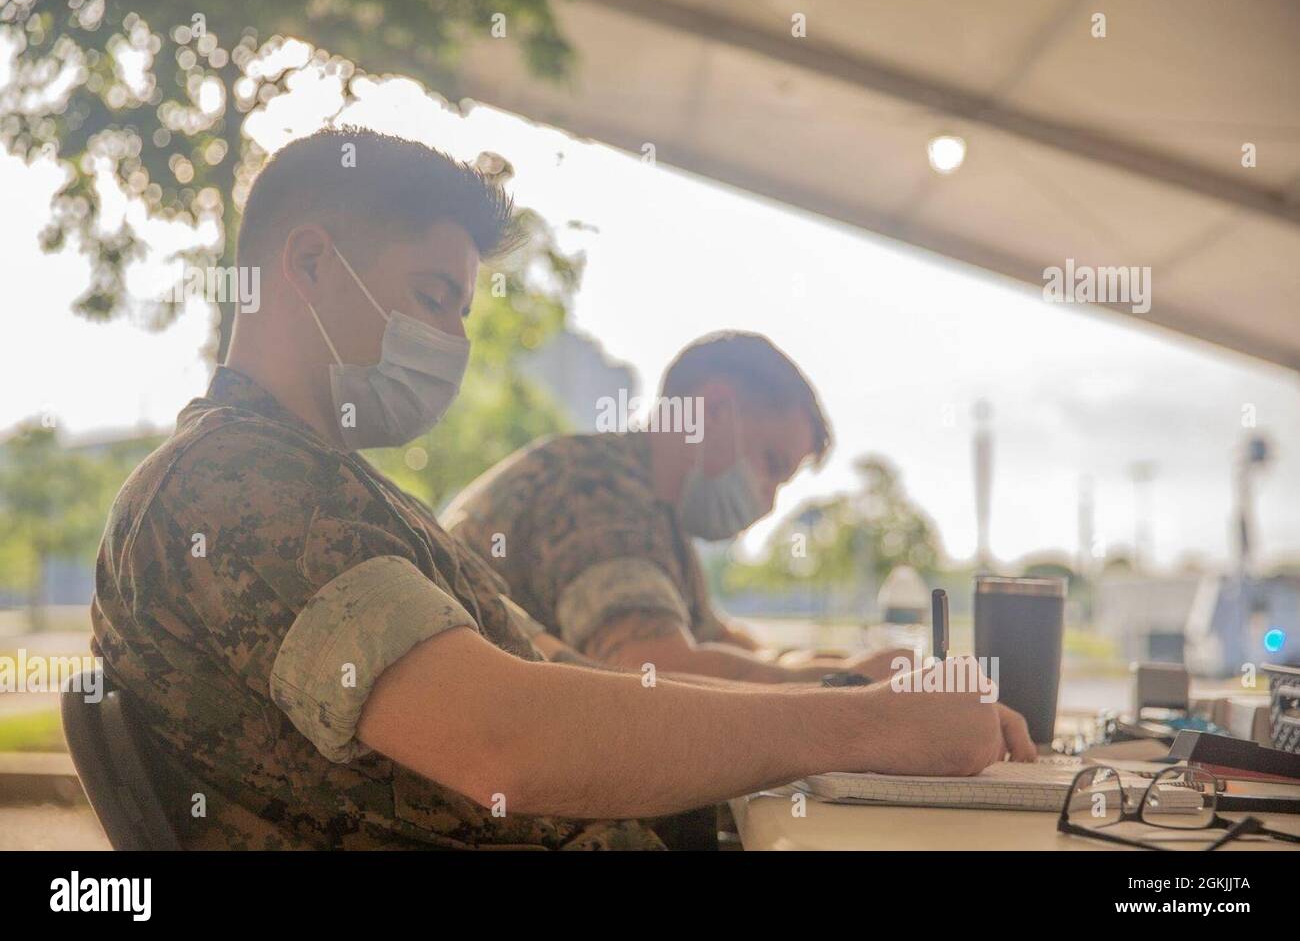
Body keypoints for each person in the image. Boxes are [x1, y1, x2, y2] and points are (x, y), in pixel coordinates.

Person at [90, 127, 1034, 851]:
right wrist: (862, 723)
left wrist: (844, 702)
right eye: (431, 296)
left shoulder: (334, 488)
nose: (453, 344)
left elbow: (573, 678)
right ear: (306, 264)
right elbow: (504, 739)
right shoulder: (234, 482)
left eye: (461, 310)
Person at [444, 331, 901, 683]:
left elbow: (722, 645)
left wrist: (847, 664)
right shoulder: (593, 484)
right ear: (715, 409)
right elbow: (654, 671)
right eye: (771, 465)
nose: (768, 501)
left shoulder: (660, 518)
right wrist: (853, 681)